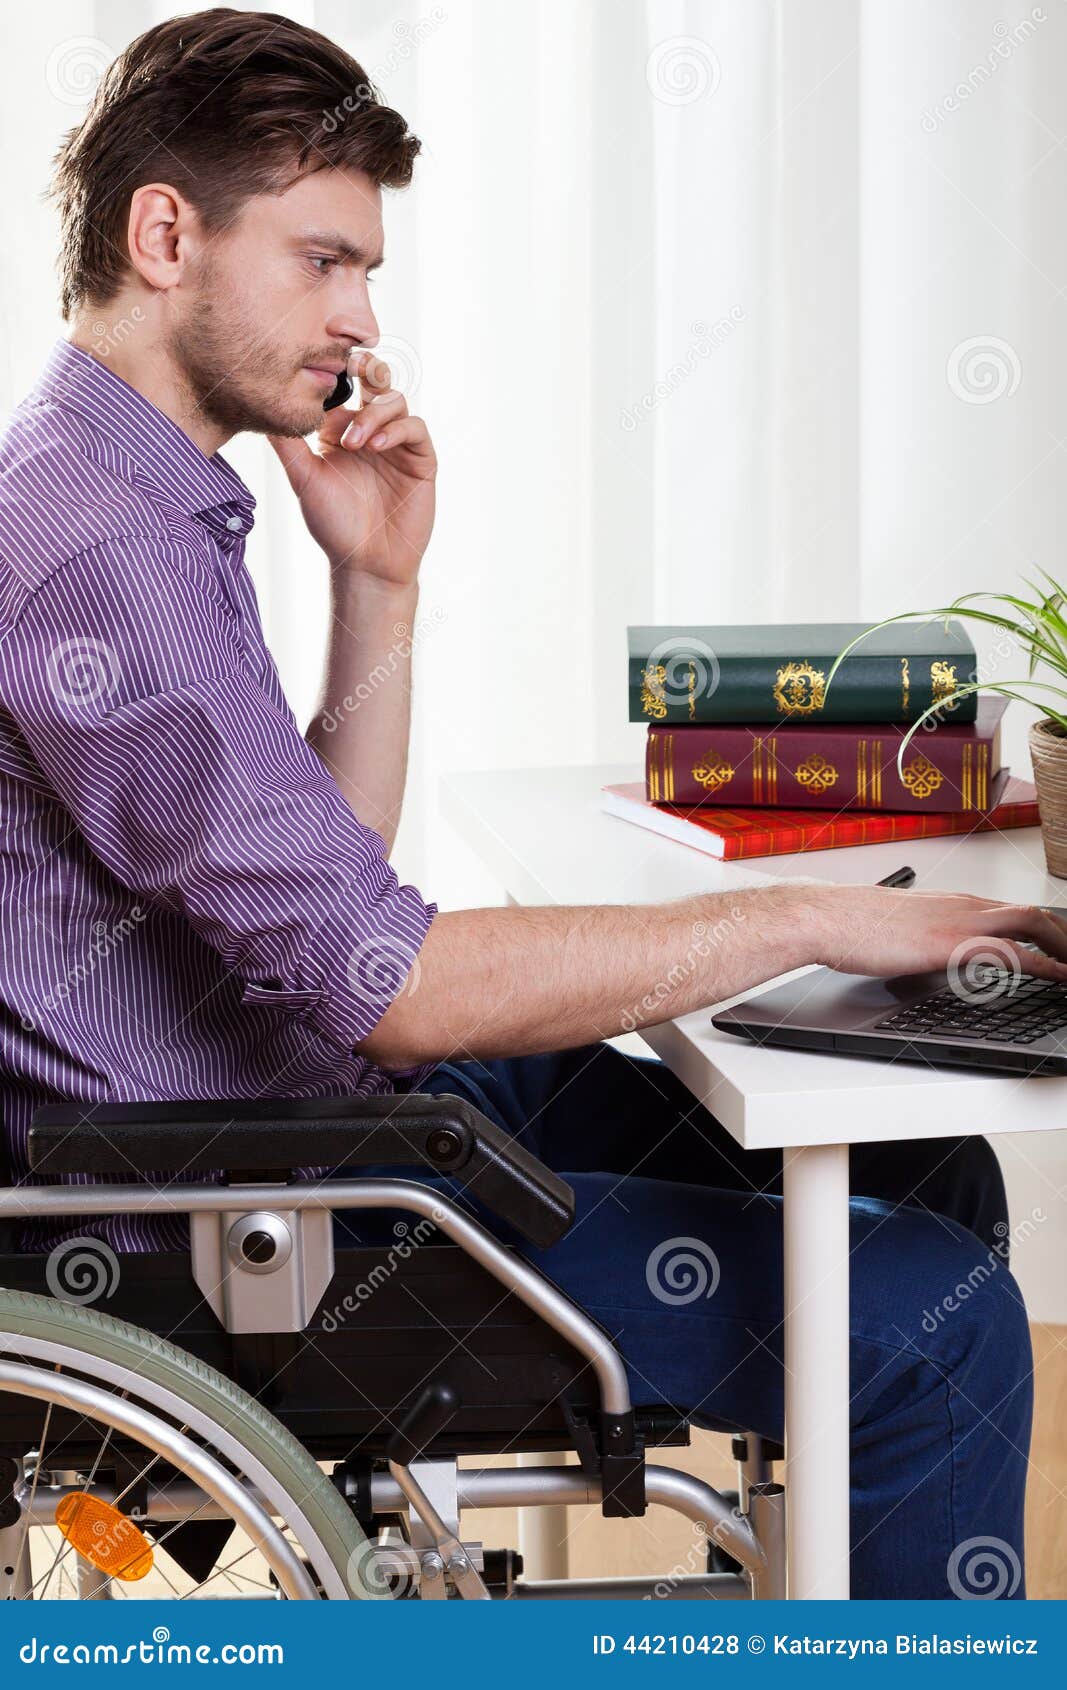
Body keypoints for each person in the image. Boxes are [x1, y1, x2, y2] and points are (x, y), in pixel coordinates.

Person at [0, 8, 1056, 1597]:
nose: (360, 318)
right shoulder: (92, 551)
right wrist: (813, 918)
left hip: (305, 1108)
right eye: (324, 259)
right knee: (936, 1317)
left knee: (932, 1179)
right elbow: (398, 986)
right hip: (242, 1221)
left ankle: (844, 1587)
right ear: (166, 233)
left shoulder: (135, 493)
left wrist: (376, 584)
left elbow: (324, 892)